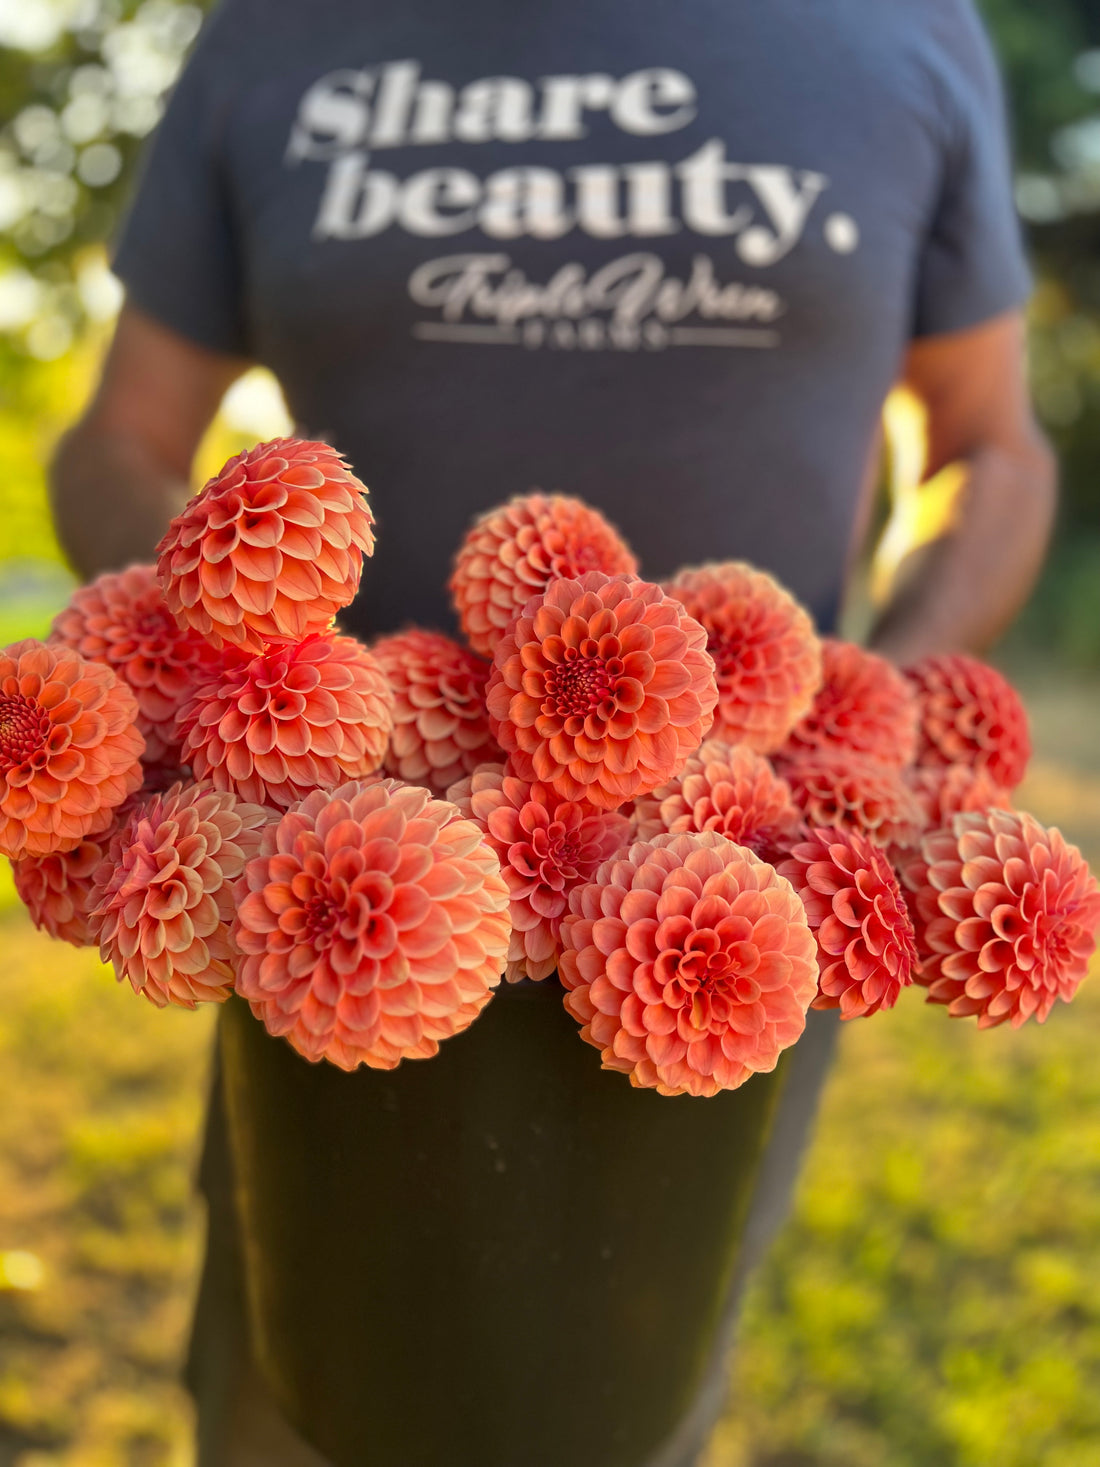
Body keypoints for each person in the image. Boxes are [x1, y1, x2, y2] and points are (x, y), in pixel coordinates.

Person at [49, 2, 1055, 1463]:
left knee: (619, 1394)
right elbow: (123, 437)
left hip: (743, 882)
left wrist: (878, 701)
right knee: (304, 1388)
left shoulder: (903, 30)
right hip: (323, 866)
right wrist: (222, 653)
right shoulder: (277, 32)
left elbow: (995, 447)